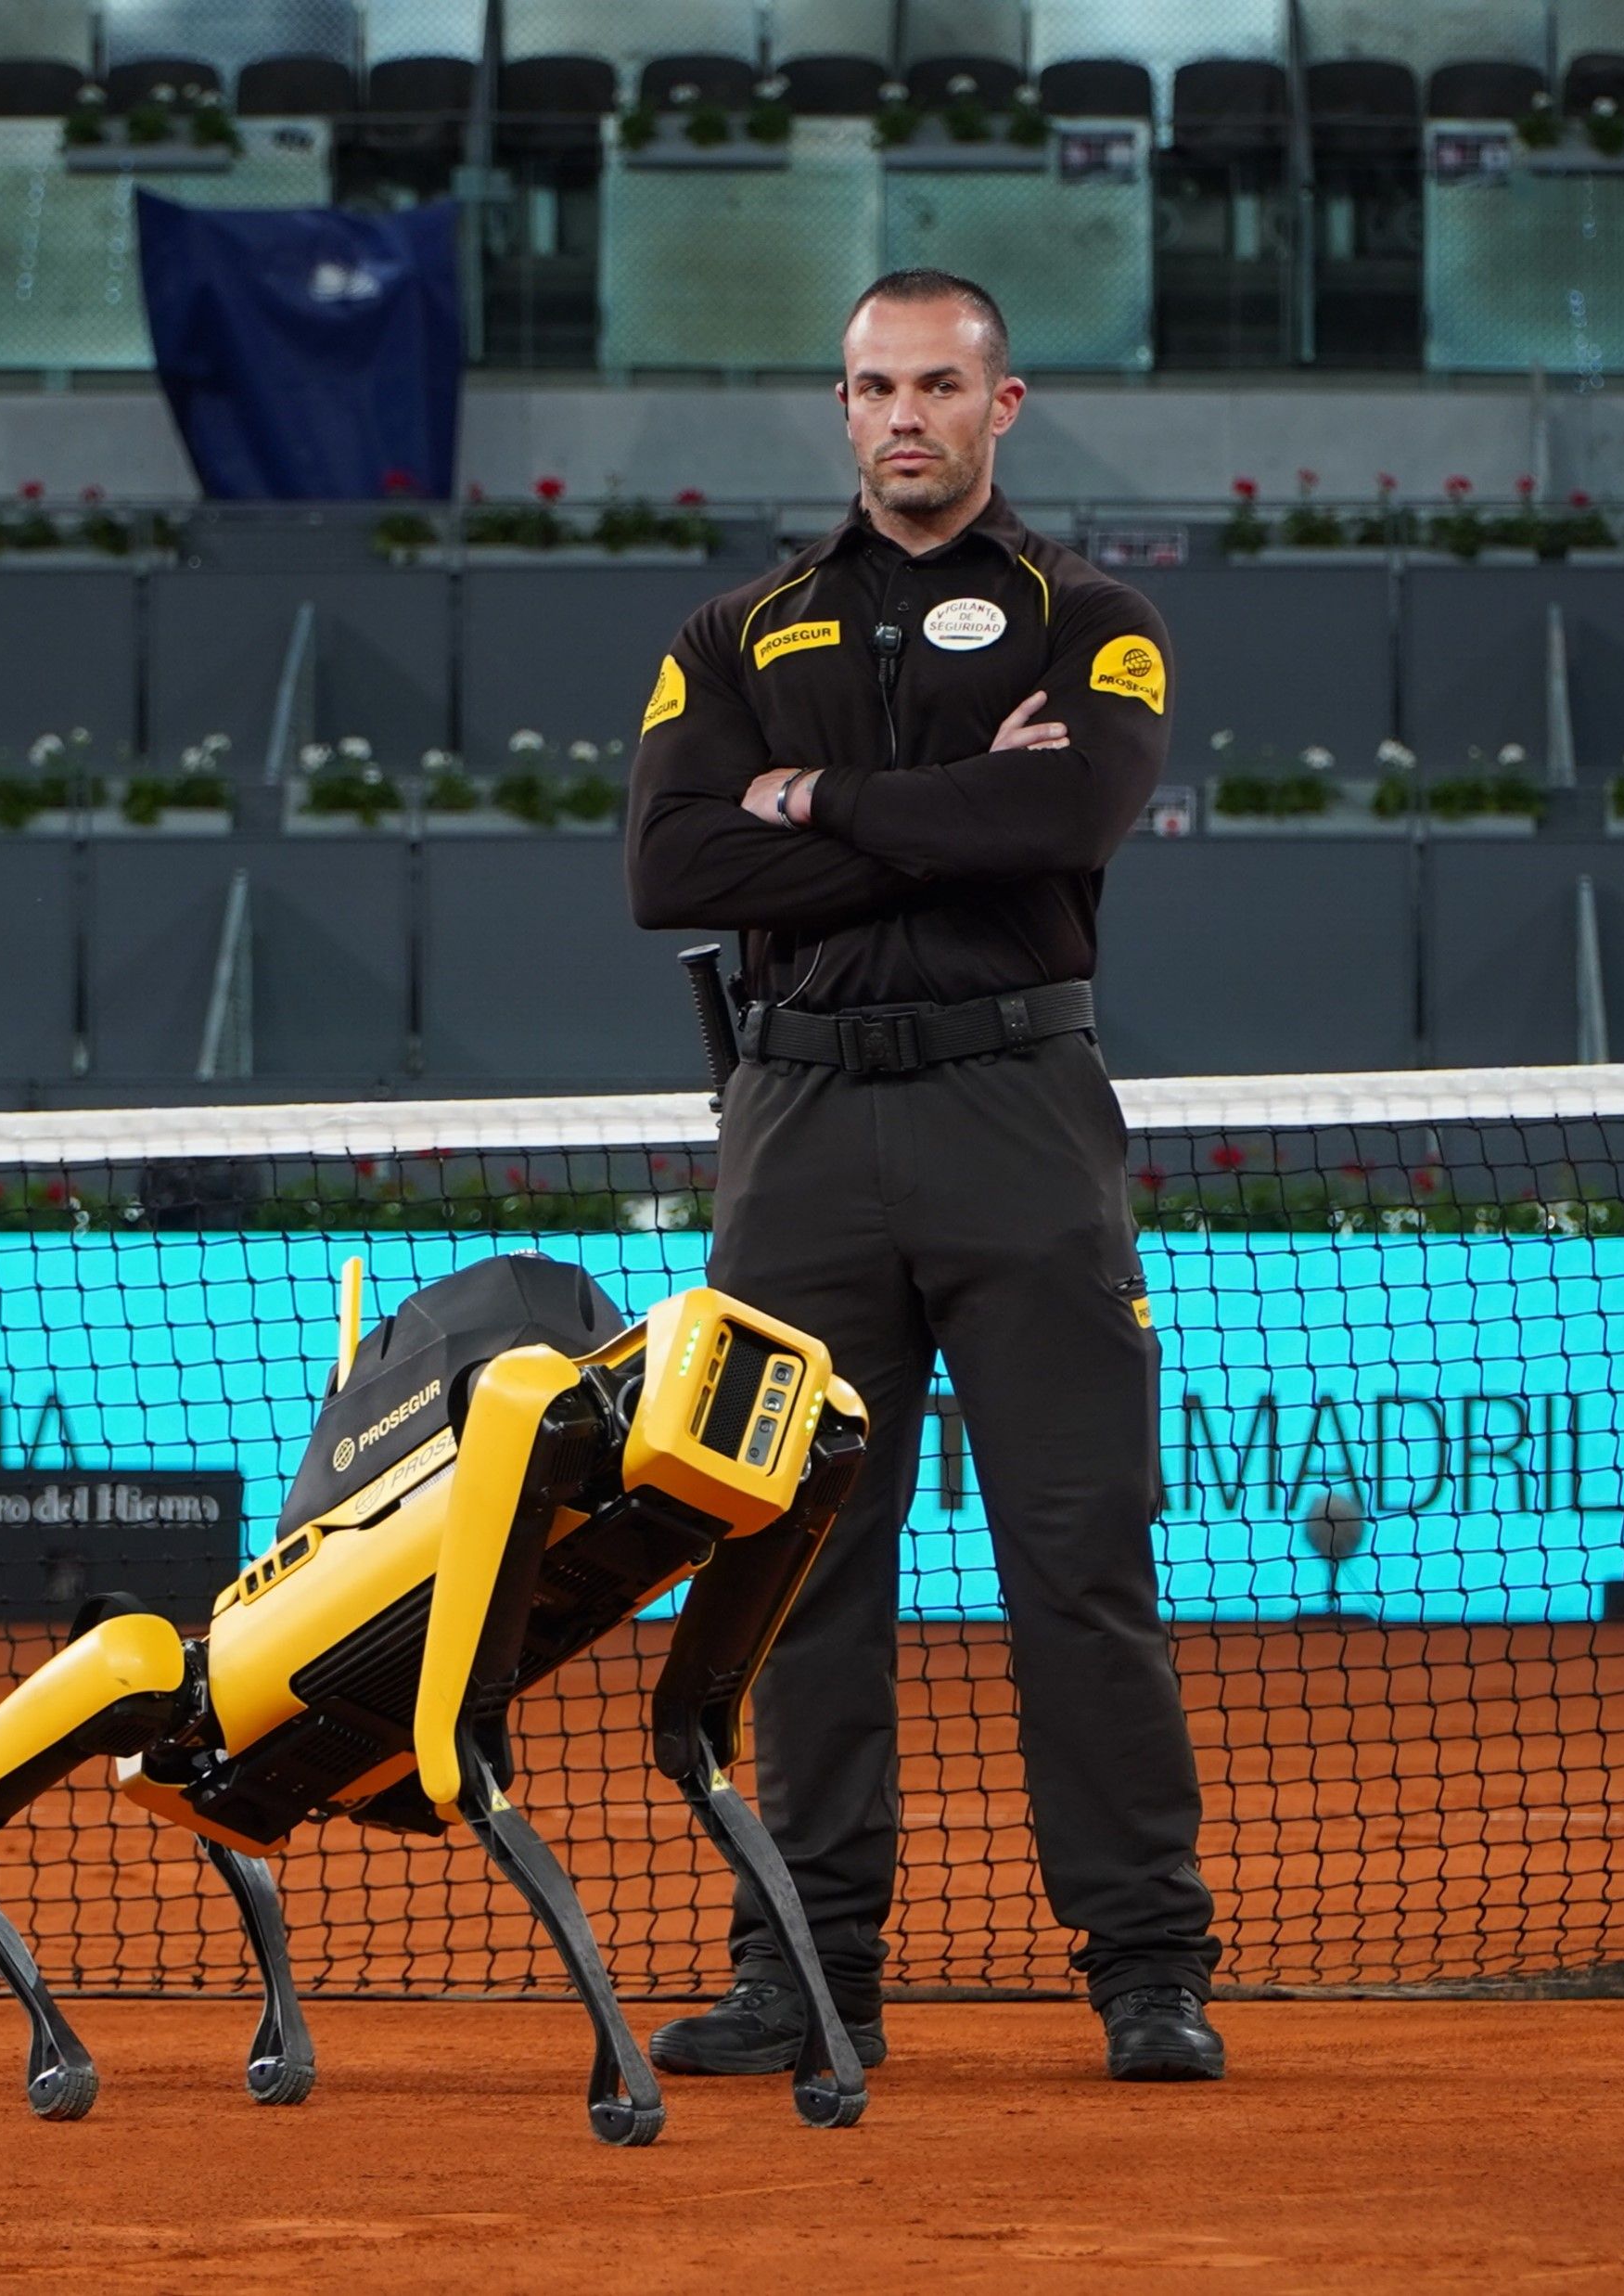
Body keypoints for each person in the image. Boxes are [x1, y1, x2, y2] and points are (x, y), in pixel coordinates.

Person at [622, 270, 1223, 2083]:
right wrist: (943, 805)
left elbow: (1064, 818)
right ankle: (804, 1977)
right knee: (788, 1564)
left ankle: (1145, 1971)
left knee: (1078, 1560)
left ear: (1001, 403)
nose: (902, 414)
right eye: (872, 385)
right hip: (794, 1134)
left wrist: (811, 807)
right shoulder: (737, 630)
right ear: (842, 406)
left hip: (1016, 1114)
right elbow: (669, 869)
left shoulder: (1088, 616)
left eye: (936, 385)